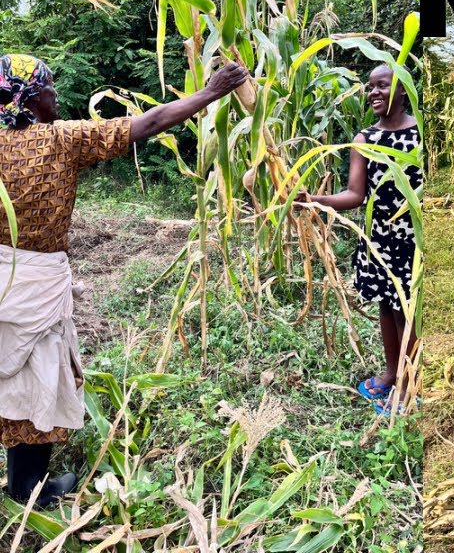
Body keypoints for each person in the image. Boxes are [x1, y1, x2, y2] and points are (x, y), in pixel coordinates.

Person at [0, 54, 249, 509]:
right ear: (32, 97)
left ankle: (21, 481)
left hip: (4, 279)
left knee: (9, 371)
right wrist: (211, 92)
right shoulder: (63, 140)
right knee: (37, 374)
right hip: (37, 282)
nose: (57, 96)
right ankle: (29, 490)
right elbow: (149, 122)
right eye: (51, 88)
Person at [295, 65, 422, 415]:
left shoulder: (421, 133)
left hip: (412, 239)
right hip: (379, 237)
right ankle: (392, 372)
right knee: (386, 305)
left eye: (382, 85)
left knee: (406, 313)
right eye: (370, 87)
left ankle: (410, 386)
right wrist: (314, 200)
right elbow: (355, 194)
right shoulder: (364, 139)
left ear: (402, 89)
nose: (373, 93)